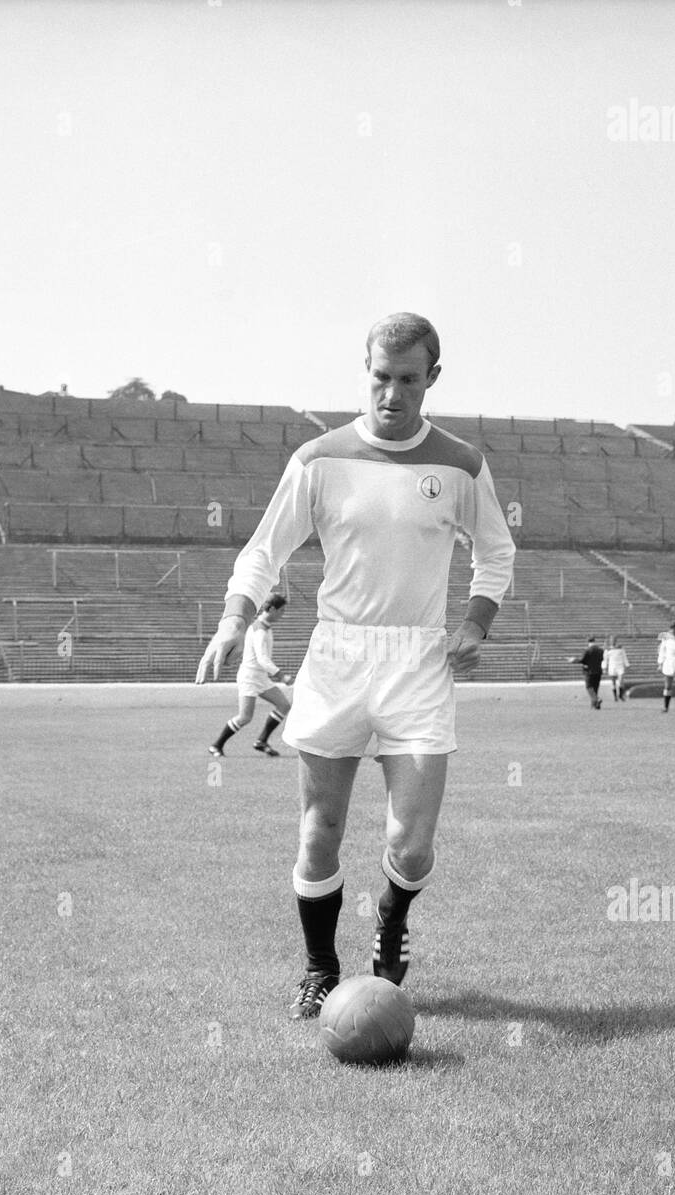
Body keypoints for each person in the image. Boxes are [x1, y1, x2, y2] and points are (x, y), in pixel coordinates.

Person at [196, 311, 515, 1019]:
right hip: (338, 655)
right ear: (364, 372)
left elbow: (495, 552)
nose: (391, 394)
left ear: (432, 378)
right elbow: (261, 551)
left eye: (408, 380)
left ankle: (393, 921)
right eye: (380, 378)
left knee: (413, 837)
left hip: (418, 658)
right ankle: (318, 966)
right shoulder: (319, 459)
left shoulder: (460, 464)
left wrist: (474, 622)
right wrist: (232, 618)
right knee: (321, 829)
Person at [208, 594, 294, 757]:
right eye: (282, 610)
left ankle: (261, 741)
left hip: (260, 677)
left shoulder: (264, 627)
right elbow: (262, 659)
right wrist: (281, 676)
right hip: (249, 677)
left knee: (284, 705)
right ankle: (216, 745)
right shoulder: (259, 630)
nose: (283, 614)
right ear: (273, 609)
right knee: (245, 717)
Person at [568, 636, 606, 709]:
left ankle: (597, 699)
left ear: (588, 642)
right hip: (598, 672)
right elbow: (602, 659)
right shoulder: (601, 650)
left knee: (589, 687)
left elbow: (582, 660)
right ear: (595, 641)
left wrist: (573, 660)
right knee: (595, 689)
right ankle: (595, 705)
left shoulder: (587, 650)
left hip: (589, 672)